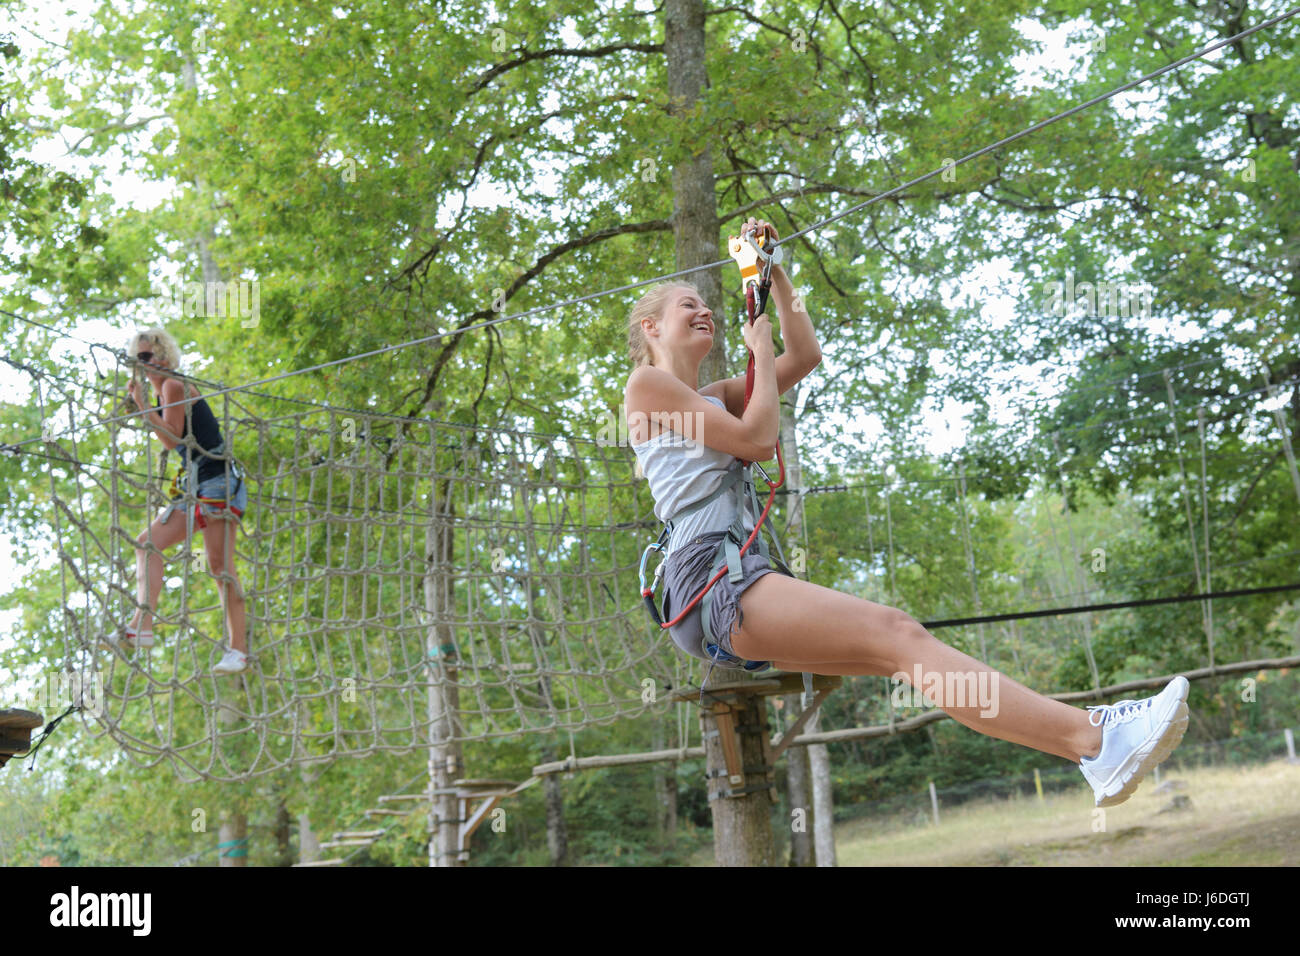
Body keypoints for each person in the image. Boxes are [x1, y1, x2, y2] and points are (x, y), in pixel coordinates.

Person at [624, 217, 1189, 807]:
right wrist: (759, 349)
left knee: (904, 652)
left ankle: (1089, 747)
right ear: (651, 327)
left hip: (717, 590)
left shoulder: (707, 397)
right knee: (897, 631)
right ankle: (1097, 738)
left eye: (707, 305)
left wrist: (776, 272)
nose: (704, 311)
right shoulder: (646, 386)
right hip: (711, 582)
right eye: (688, 304)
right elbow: (759, 438)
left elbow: (806, 354)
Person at [102, 327, 249, 676]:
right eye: (135, 359)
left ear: (164, 357)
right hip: (197, 486)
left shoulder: (174, 385)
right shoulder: (162, 392)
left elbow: (170, 437)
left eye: (146, 357)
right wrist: (143, 406)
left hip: (218, 484)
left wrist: (140, 405)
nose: (141, 364)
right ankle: (142, 625)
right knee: (147, 544)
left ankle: (239, 650)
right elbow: (171, 437)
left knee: (220, 567)